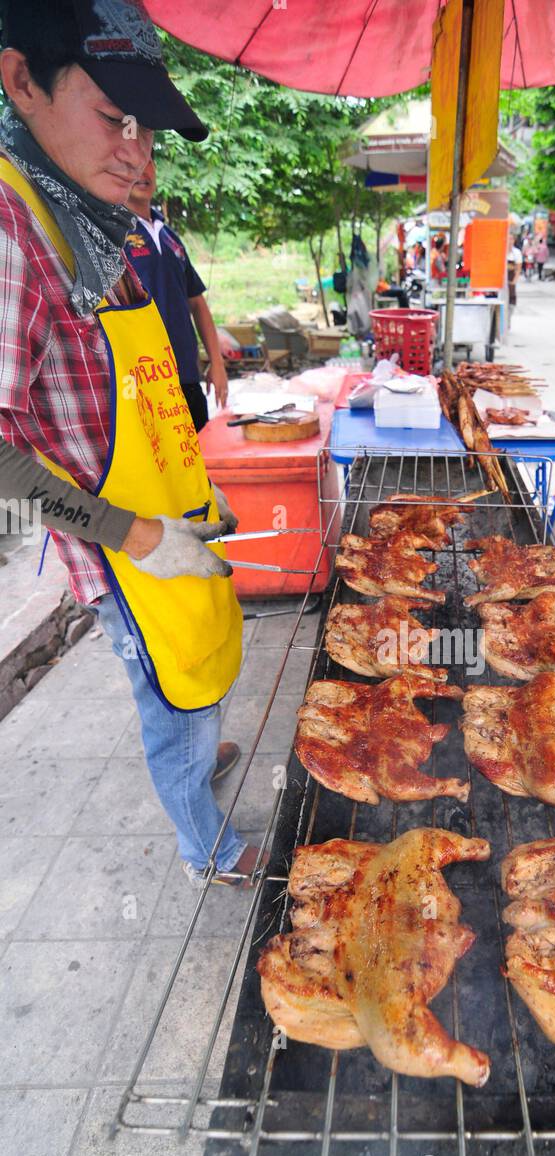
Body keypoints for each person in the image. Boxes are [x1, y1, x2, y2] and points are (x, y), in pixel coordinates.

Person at [0, 0, 262, 887]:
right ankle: (206, 847)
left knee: (199, 662)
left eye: (146, 130)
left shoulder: (88, 221)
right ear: (21, 80)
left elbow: (133, 393)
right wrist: (141, 537)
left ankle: (199, 749)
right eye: (115, 118)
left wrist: (194, 494)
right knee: (167, 693)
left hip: (164, 515)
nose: (137, 153)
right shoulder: (10, 230)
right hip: (120, 553)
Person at [125, 158, 227, 432]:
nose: (142, 172)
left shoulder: (170, 236)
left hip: (187, 378)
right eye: (135, 164)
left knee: (199, 467)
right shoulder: (111, 235)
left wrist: (216, 363)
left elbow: (197, 302)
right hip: (143, 386)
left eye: (149, 163)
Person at [507, 237, 523, 309]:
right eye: (508, 239)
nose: (510, 241)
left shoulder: (517, 252)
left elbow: (518, 269)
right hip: (499, 280)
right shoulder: (500, 251)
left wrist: (514, 281)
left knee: (511, 301)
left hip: (511, 279)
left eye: (511, 239)